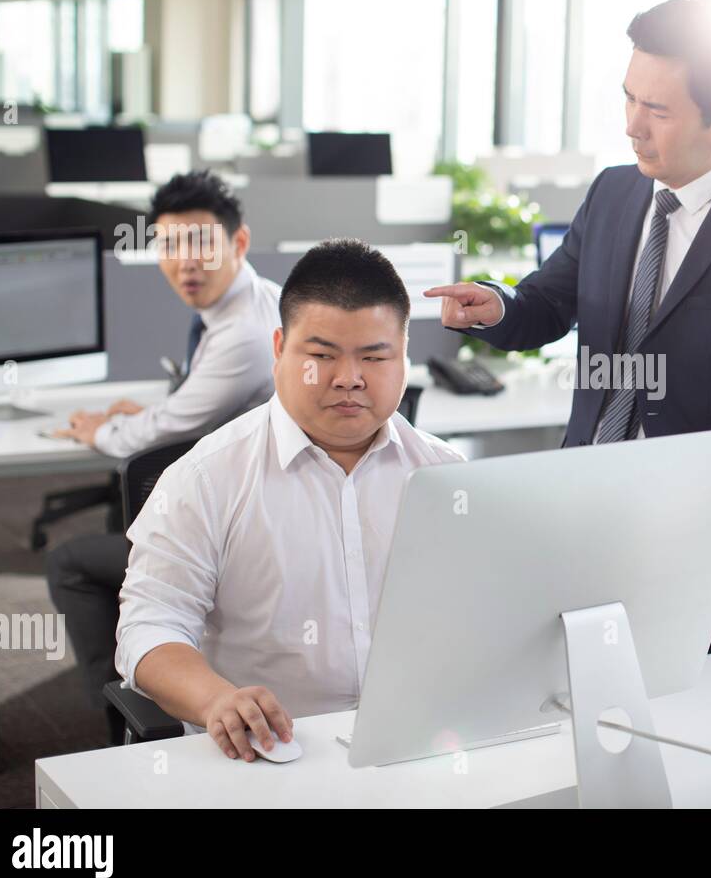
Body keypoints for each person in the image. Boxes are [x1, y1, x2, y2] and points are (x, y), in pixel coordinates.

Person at [425, 0, 711, 651]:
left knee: (693, 713)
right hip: (580, 522)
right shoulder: (614, 193)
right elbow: (550, 301)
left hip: (697, 560)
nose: (632, 126)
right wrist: (500, 306)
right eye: (628, 98)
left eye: (658, 110)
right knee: (562, 698)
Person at [116, 239, 464, 762]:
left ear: (404, 355)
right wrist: (215, 700)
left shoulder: (446, 475)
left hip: (416, 746)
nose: (349, 379)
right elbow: (149, 627)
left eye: (374, 357)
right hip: (267, 754)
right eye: (321, 356)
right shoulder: (205, 478)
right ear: (279, 348)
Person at [45, 170, 282, 743]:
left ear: (239, 242)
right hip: (253, 508)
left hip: (240, 537)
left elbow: (157, 435)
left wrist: (101, 429)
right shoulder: (254, 302)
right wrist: (157, 407)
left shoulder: (245, 334)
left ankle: (121, 715)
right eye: (170, 246)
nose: (185, 263)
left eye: (201, 244)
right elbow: (198, 407)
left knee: (69, 561)